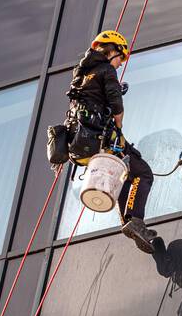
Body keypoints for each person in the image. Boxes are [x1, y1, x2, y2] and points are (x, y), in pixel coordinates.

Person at [61, 29, 156, 253]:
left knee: (127, 175)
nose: (120, 64)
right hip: (101, 139)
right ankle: (135, 220)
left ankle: (130, 222)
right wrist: (119, 125)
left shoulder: (83, 74)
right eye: (120, 58)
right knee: (143, 173)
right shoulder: (106, 70)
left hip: (82, 143)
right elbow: (116, 105)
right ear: (112, 51)